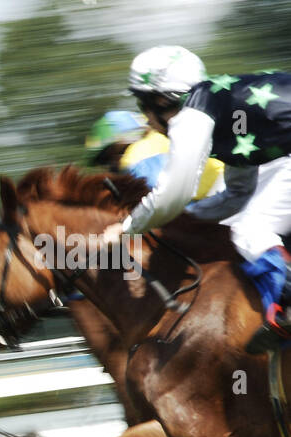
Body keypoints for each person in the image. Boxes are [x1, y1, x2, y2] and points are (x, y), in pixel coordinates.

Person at [99, 47, 291, 350]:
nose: (147, 122)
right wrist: (182, 221)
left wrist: (126, 228)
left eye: (144, 105)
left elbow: (173, 193)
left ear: (163, 101)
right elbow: (237, 195)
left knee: (251, 231)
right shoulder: (226, 107)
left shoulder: (192, 117)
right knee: (249, 223)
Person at [85, 109, 225, 197]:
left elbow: (163, 203)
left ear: (120, 144)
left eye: (105, 158)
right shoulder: (163, 137)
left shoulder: (135, 159)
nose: (106, 168)